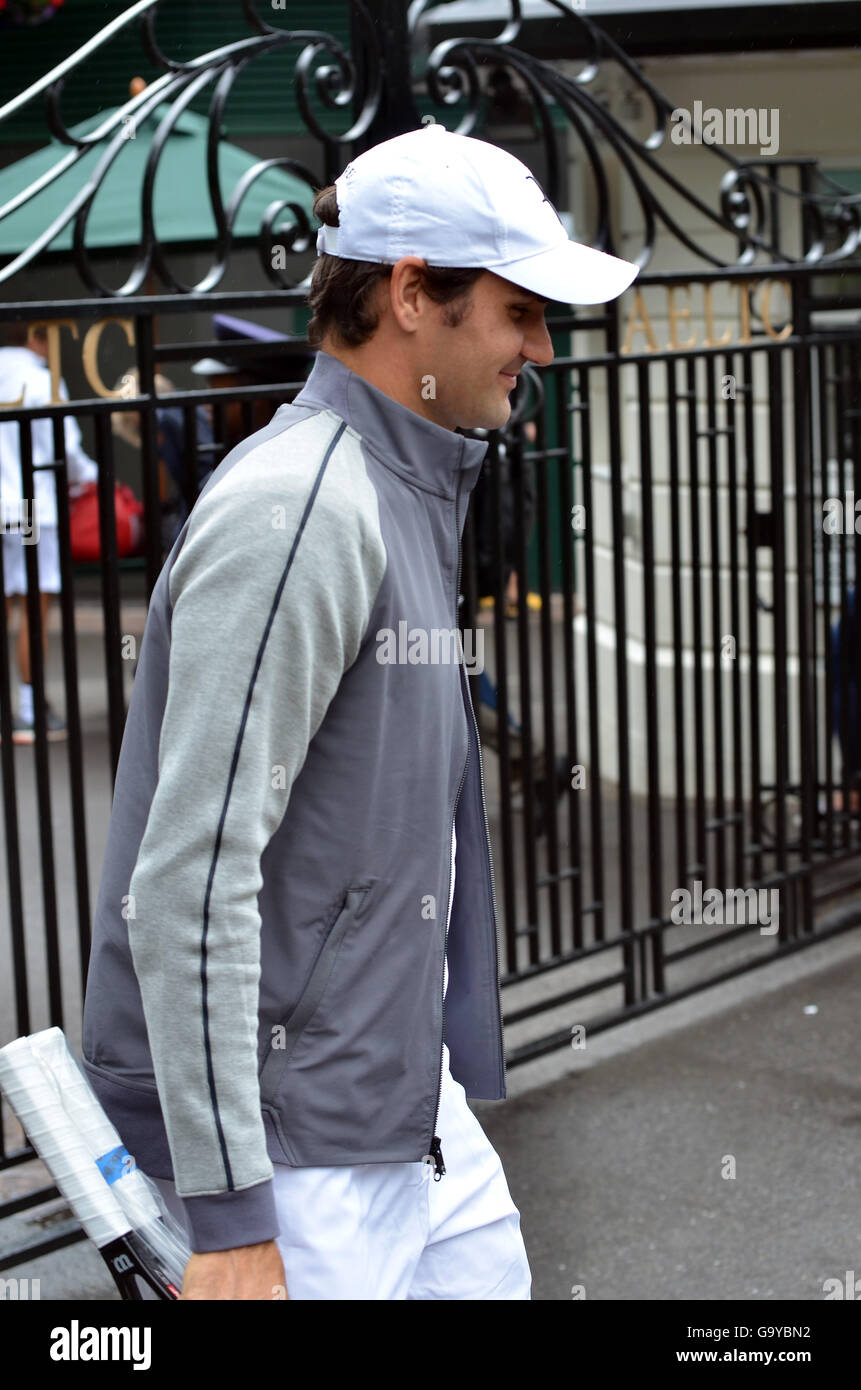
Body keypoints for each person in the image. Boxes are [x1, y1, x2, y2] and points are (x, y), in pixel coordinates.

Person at [81, 124, 638, 1300]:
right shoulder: (305, 506)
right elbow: (190, 877)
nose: (540, 344)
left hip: (388, 1096)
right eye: (519, 305)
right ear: (409, 293)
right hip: (295, 1151)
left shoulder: (404, 476)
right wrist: (233, 1216)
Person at [0, 322, 99, 743]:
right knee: (34, 609)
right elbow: (67, 451)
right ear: (35, 337)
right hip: (30, 504)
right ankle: (29, 708)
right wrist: (92, 476)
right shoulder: (40, 380)